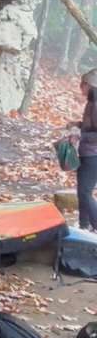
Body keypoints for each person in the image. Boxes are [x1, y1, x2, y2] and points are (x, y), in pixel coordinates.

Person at [68, 68, 97, 230]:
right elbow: (90, 127)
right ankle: (84, 225)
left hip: (94, 155)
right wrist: (77, 124)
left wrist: (80, 136)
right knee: (82, 191)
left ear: (90, 85)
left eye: (83, 84)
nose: (80, 87)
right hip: (86, 153)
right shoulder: (91, 103)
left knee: (85, 192)